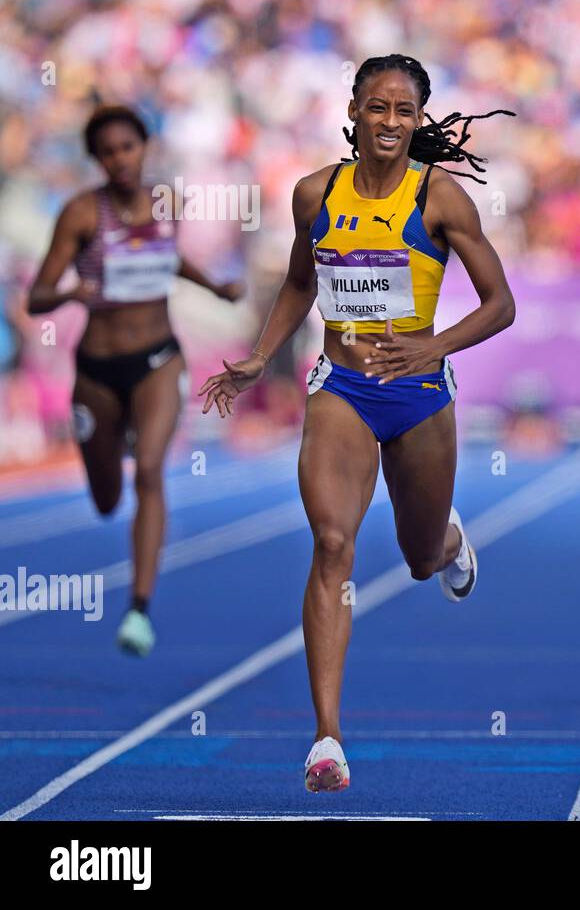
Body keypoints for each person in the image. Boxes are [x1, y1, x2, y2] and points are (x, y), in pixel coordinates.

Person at [199, 55, 515, 791]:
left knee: (416, 557)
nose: (391, 123)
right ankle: (327, 739)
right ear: (354, 109)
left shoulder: (441, 200)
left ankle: (447, 536)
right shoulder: (316, 193)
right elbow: (303, 280)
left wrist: (432, 346)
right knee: (333, 542)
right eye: (379, 108)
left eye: (405, 112)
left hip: (420, 393)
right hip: (341, 385)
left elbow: (500, 304)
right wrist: (258, 356)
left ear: (419, 121)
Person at [26, 105, 243, 656]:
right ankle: (110, 436)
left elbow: (169, 260)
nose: (120, 158)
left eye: (128, 147)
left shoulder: (166, 202)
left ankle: (140, 609)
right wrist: (72, 291)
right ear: (96, 160)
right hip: (97, 370)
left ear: (143, 148)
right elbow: (37, 296)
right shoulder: (81, 214)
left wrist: (216, 288)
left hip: (157, 358)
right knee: (105, 499)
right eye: (108, 151)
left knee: (150, 470)